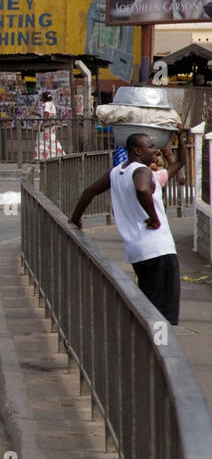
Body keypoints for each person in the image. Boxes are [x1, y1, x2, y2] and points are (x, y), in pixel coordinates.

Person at [70, 132, 185, 325]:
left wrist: (75, 218)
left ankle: (150, 347)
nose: (155, 151)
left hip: (137, 251)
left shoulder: (116, 172)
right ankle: (161, 349)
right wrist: (154, 218)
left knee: (149, 304)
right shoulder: (142, 171)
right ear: (137, 150)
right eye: (150, 147)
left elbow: (89, 191)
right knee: (164, 312)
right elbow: (141, 189)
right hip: (159, 250)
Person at [35, 91, 63, 161]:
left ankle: (59, 154)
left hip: (47, 126)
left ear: (44, 98)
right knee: (46, 141)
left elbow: (46, 114)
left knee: (48, 141)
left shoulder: (46, 104)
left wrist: (42, 124)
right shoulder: (51, 104)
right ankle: (42, 157)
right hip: (51, 126)